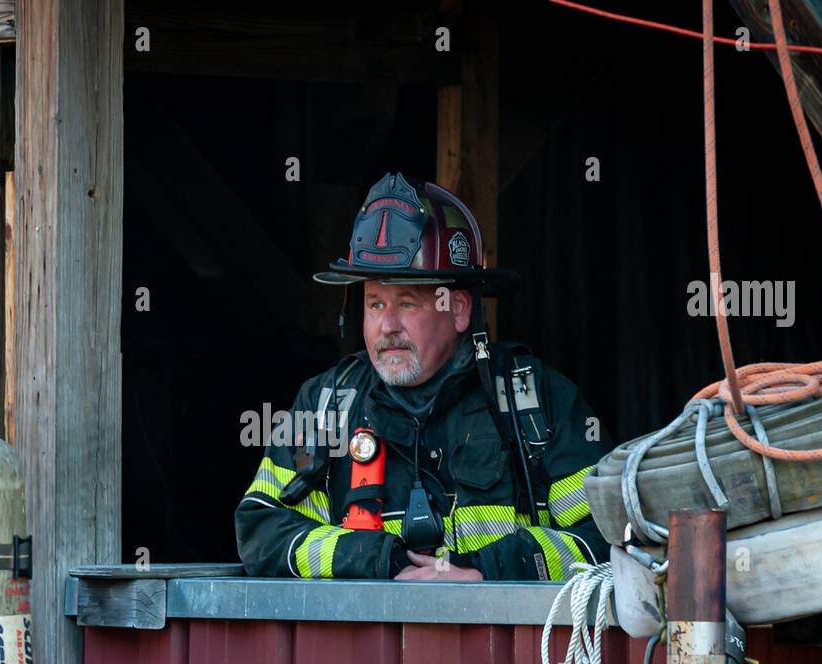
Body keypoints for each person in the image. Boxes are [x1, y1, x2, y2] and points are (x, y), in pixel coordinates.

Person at [235, 172, 611, 581]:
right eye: (375, 304)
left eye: (408, 303)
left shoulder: (533, 401)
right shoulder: (326, 405)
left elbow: (610, 539)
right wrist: (381, 562)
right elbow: (262, 529)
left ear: (460, 309)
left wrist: (484, 572)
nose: (387, 326)